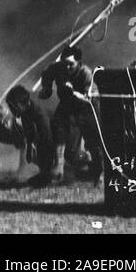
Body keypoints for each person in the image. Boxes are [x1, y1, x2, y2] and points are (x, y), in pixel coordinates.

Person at [39, 45, 101, 183]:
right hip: (67, 105)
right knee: (58, 126)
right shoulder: (57, 67)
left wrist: (73, 92)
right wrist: (47, 88)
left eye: (70, 65)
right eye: (64, 64)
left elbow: (88, 98)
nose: (67, 68)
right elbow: (47, 74)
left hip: (87, 108)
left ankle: (98, 173)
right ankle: (59, 167)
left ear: (78, 63)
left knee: (92, 142)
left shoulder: (86, 73)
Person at [4, 85, 56, 187]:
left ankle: (50, 174)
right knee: (38, 149)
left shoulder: (40, 112)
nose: (12, 110)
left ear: (24, 104)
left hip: (69, 122)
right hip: (55, 122)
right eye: (10, 107)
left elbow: (47, 140)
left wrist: (45, 172)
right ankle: (48, 172)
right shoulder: (25, 107)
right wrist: (28, 149)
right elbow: (29, 130)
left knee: (45, 145)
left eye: (14, 107)